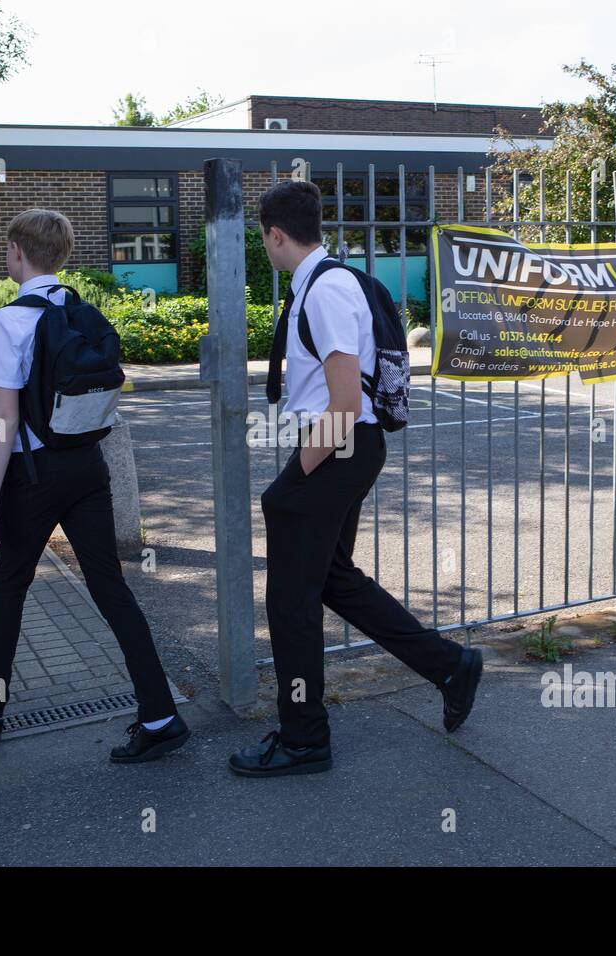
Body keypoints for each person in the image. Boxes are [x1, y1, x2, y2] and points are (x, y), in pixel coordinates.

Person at [229, 180, 482, 778]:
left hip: (337, 448)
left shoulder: (325, 291)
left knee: (290, 602)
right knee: (333, 582)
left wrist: (292, 480)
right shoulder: (326, 283)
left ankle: (304, 737)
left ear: (275, 234)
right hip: (344, 449)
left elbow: (343, 403)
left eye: (264, 239)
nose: (265, 247)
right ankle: (449, 666)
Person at [0, 208, 188, 762]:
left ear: (19, 254)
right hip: (88, 468)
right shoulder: (82, 311)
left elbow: (2, 420)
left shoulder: (9, 321)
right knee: (111, 589)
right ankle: (160, 713)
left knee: (9, 590)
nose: (7, 257)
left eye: (8, 250)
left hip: (32, 478)